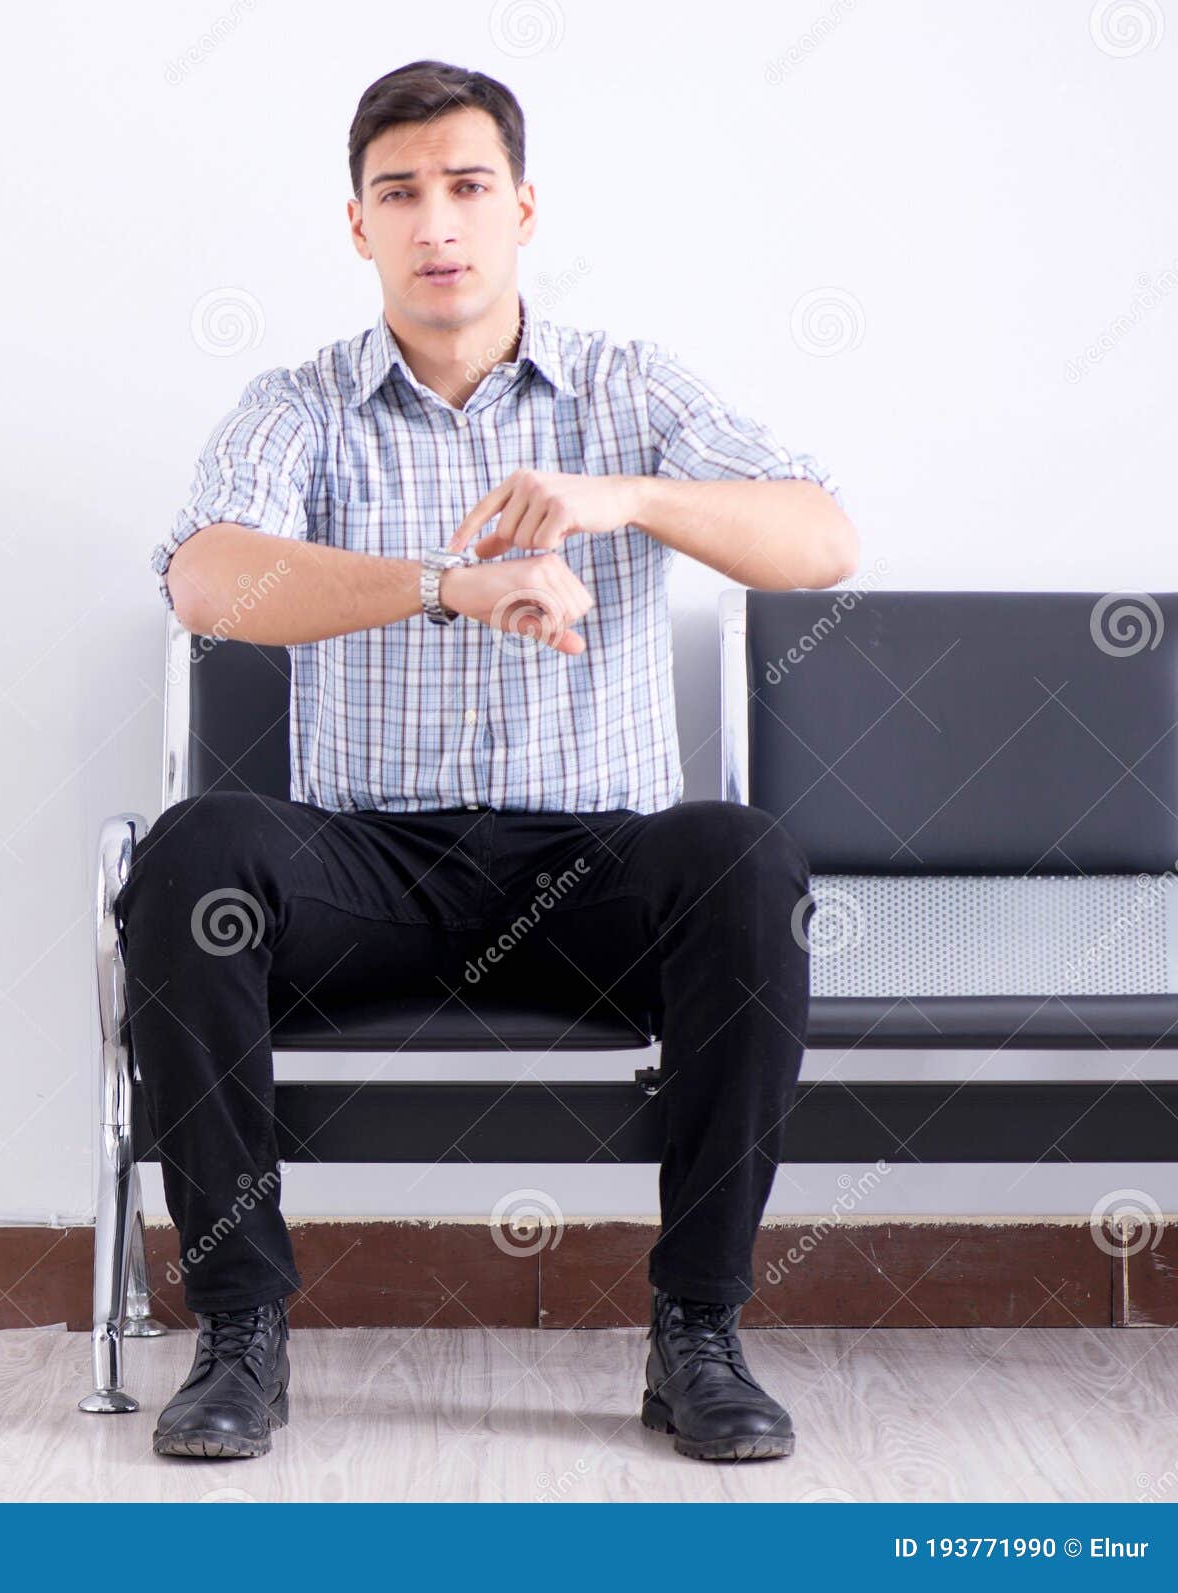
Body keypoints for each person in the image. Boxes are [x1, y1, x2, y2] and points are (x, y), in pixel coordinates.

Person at [120, 57, 858, 1464]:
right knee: (194, 850)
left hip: (595, 877)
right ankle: (240, 1332)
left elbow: (823, 540)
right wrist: (445, 585)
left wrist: (623, 496)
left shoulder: (628, 388)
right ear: (359, 228)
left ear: (522, 210)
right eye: (400, 195)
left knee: (746, 855)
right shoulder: (302, 403)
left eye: (466, 188)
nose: (436, 223)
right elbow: (209, 580)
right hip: (369, 878)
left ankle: (695, 1330)